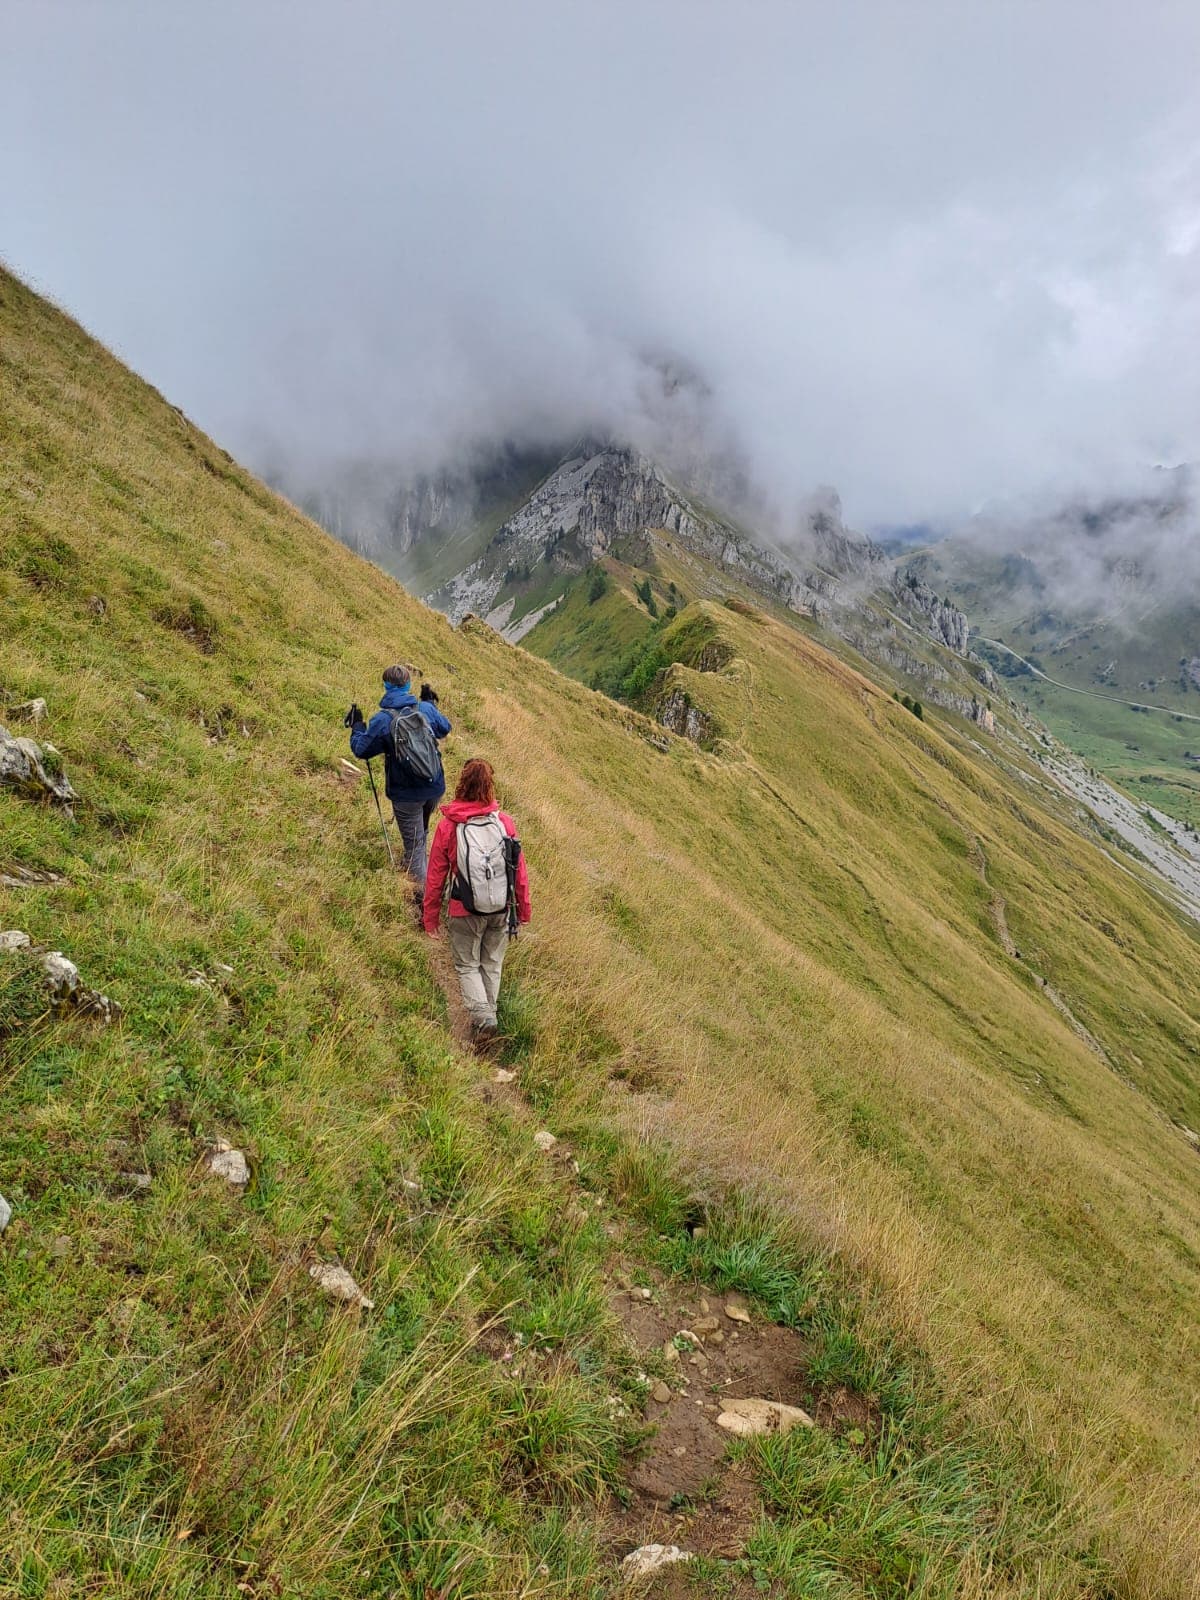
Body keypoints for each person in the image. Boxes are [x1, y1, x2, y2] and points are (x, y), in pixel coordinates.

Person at [423, 759, 531, 1043]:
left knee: (467, 965)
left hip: (464, 909)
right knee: (491, 965)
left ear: (461, 783)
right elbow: (518, 873)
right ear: (490, 786)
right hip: (501, 909)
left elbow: (435, 875)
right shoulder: (504, 823)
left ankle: (483, 1020)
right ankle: (486, 1020)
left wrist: (430, 917)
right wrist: (523, 910)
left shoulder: (449, 826)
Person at [349, 664, 451, 890]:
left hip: (406, 794)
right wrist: (431, 705)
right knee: (419, 833)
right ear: (408, 685)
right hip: (434, 785)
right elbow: (445, 728)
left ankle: (422, 904)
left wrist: (357, 726)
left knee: (414, 844)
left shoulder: (382, 720)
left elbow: (361, 750)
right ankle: (416, 869)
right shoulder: (424, 708)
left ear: (385, 685)